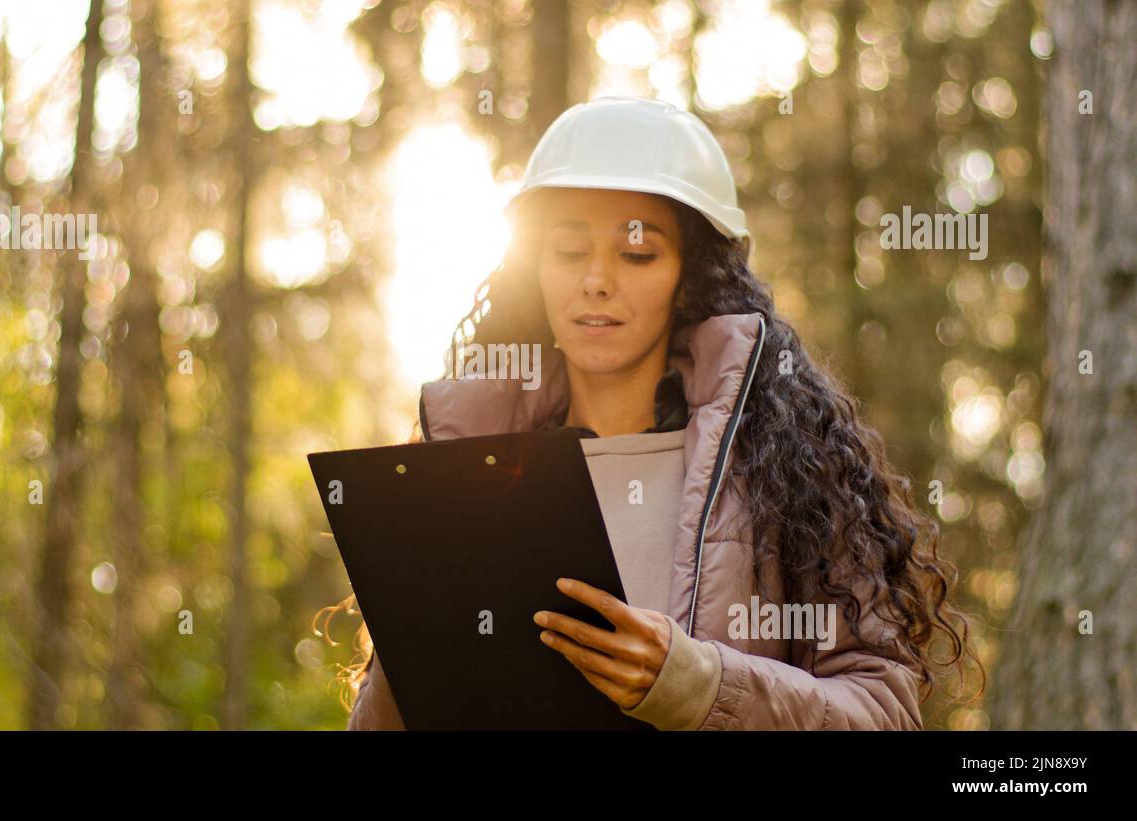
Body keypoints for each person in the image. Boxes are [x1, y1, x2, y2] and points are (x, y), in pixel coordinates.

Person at [328, 96, 979, 730]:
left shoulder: (783, 471)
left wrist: (699, 687)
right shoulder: (467, 461)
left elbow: (884, 712)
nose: (596, 280)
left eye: (636, 253)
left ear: (690, 275)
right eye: (568, 251)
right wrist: (415, 631)